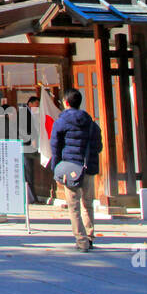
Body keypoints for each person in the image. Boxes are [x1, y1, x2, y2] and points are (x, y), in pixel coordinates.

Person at [48, 88, 103, 252]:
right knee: (88, 204)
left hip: (69, 167)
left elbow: (55, 146)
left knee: (74, 206)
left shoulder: (61, 122)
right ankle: (90, 236)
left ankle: (81, 240)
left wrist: (56, 167)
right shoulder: (91, 123)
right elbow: (98, 146)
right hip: (88, 168)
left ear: (65, 102)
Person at [19, 94, 40, 203]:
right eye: (36, 104)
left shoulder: (32, 113)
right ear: (30, 104)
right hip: (25, 146)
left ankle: (32, 196)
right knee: (28, 171)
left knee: (29, 170)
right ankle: (30, 197)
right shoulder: (24, 113)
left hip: (29, 146)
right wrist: (32, 138)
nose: (37, 107)